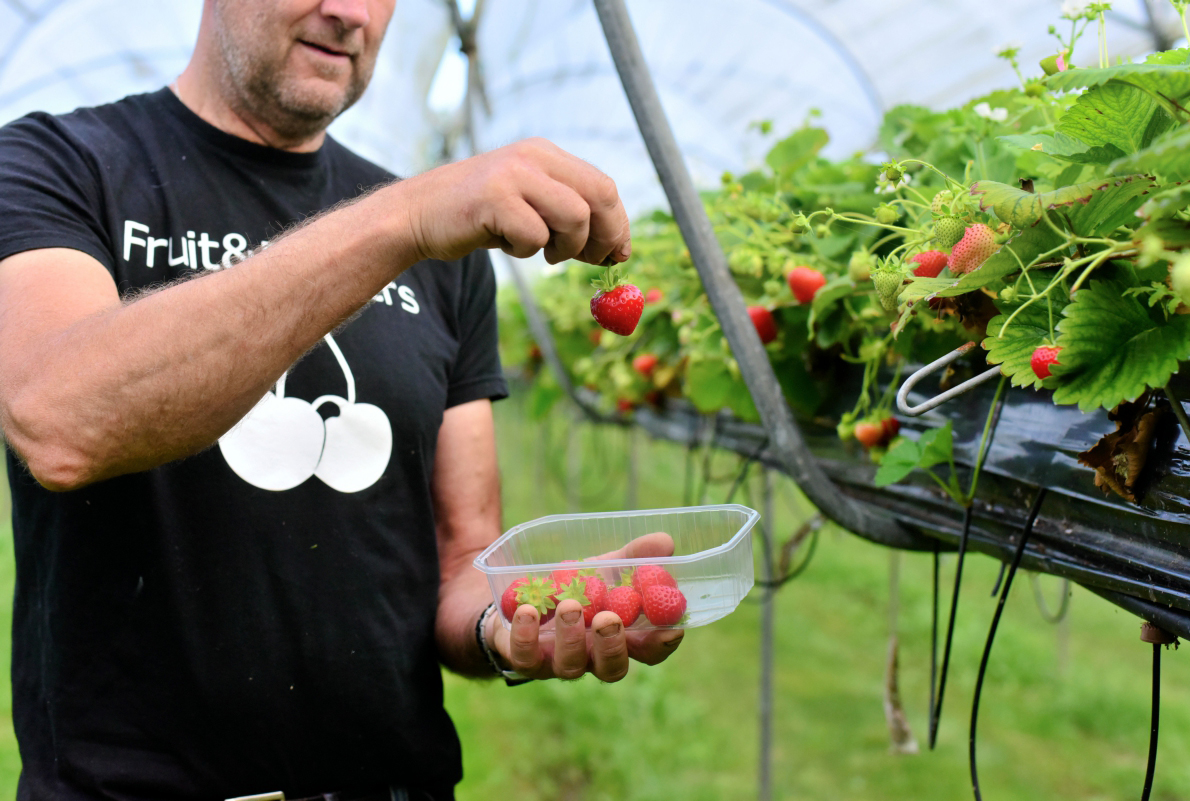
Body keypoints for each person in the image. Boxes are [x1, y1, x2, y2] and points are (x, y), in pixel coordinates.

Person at [0, 1, 684, 799]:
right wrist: (404, 217)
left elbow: (462, 559)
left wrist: (513, 618)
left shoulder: (446, 251)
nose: (349, 12)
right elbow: (61, 421)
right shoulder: (57, 165)